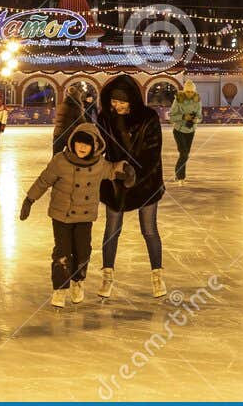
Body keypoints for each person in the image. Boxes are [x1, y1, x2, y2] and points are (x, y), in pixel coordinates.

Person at [20, 122, 133, 308]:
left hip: (85, 217)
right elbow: (43, 181)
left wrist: (126, 170)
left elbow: (113, 169)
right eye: (79, 143)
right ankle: (60, 289)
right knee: (62, 252)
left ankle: (77, 281)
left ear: (94, 146)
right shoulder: (60, 161)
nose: (82, 147)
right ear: (72, 142)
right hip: (61, 215)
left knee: (83, 252)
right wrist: (29, 200)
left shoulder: (98, 164)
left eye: (86, 144)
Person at [97, 75, 166, 299]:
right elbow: (99, 148)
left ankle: (157, 276)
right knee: (112, 230)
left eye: (121, 102)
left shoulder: (148, 118)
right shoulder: (105, 118)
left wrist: (135, 174)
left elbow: (153, 152)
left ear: (132, 101)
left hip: (146, 181)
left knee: (149, 229)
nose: (116, 105)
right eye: (113, 101)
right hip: (116, 180)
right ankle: (107, 277)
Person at [169, 80, 202, 184]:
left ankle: (179, 175)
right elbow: (171, 117)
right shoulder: (178, 100)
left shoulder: (197, 100)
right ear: (184, 91)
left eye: (191, 92)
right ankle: (180, 177)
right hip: (179, 130)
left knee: (185, 154)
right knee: (184, 154)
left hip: (191, 130)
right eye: (187, 91)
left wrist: (196, 119)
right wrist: (183, 116)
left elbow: (200, 116)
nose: (189, 94)